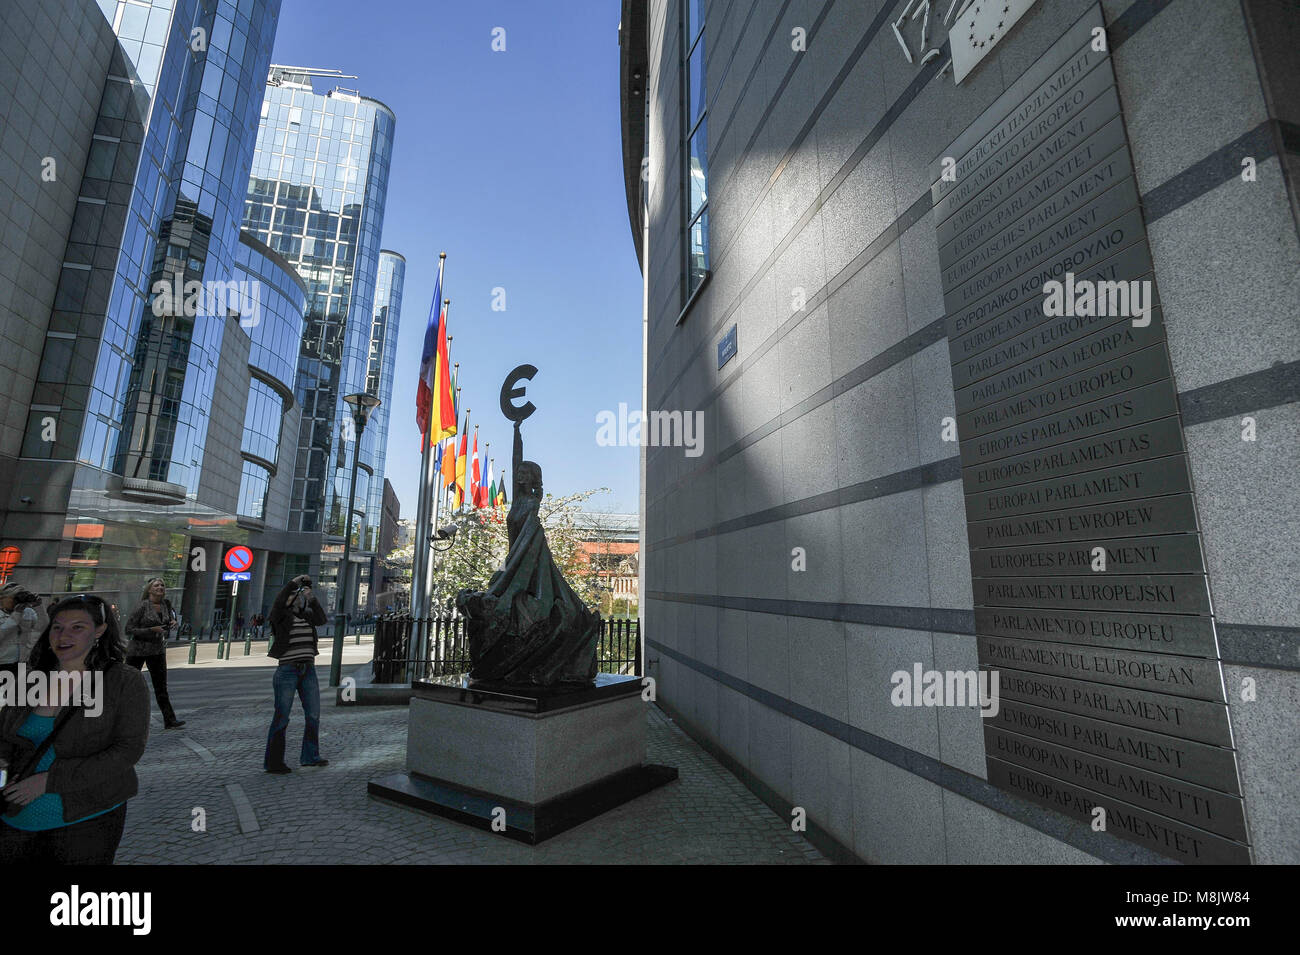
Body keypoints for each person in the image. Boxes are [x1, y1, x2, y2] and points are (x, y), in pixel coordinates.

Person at [0, 594, 150, 864]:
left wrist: (49, 781)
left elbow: (127, 751)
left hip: (88, 816)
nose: (63, 635)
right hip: (16, 815)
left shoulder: (124, 681)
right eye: (57, 627)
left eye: (77, 627)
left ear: (99, 631)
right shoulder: (27, 679)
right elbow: (4, 738)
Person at [456, 421, 601, 684]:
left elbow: (528, 538)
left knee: (524, 601)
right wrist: (516, 433)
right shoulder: (517, 499)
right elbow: (514, 460)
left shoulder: (532, 502)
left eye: (525, 472)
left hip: (531, 559)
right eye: (518, 472)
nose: (520, 475)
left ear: (533, 477)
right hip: (515, 558)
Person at [263, 574, 329, 773]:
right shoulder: (280, 616)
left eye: (299, 595)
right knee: (282, 716)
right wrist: (295, 581)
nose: (298, 597)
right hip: (287, 670)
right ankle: (274, 762)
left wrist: (312, 599)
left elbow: (322, 619)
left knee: (313, 714)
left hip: (308, 669)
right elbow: (278, 602)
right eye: (295, 595)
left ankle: (310, 756)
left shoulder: (306, 615)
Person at [124, 578, 185, 729]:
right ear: (149, 590)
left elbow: (169, 620)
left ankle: (170, 720)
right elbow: (129, 629)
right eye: (156, 585)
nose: (160, 587)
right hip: (137, 651)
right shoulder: (142, 606)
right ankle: (119, 719)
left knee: (161, 687)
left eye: (162, 585)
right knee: (126, 685)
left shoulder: (166, 604)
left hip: (157, 651)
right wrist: (151, 630)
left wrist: (173, 623)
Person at [0, 583, 40, 678]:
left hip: (22, 662)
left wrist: (37, 606)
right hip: (3, 662)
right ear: (2, 598)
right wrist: (16, 615)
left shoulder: (27, 612)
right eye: (14, 598)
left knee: (16, 691)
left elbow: (39, 629)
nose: (16, 602)